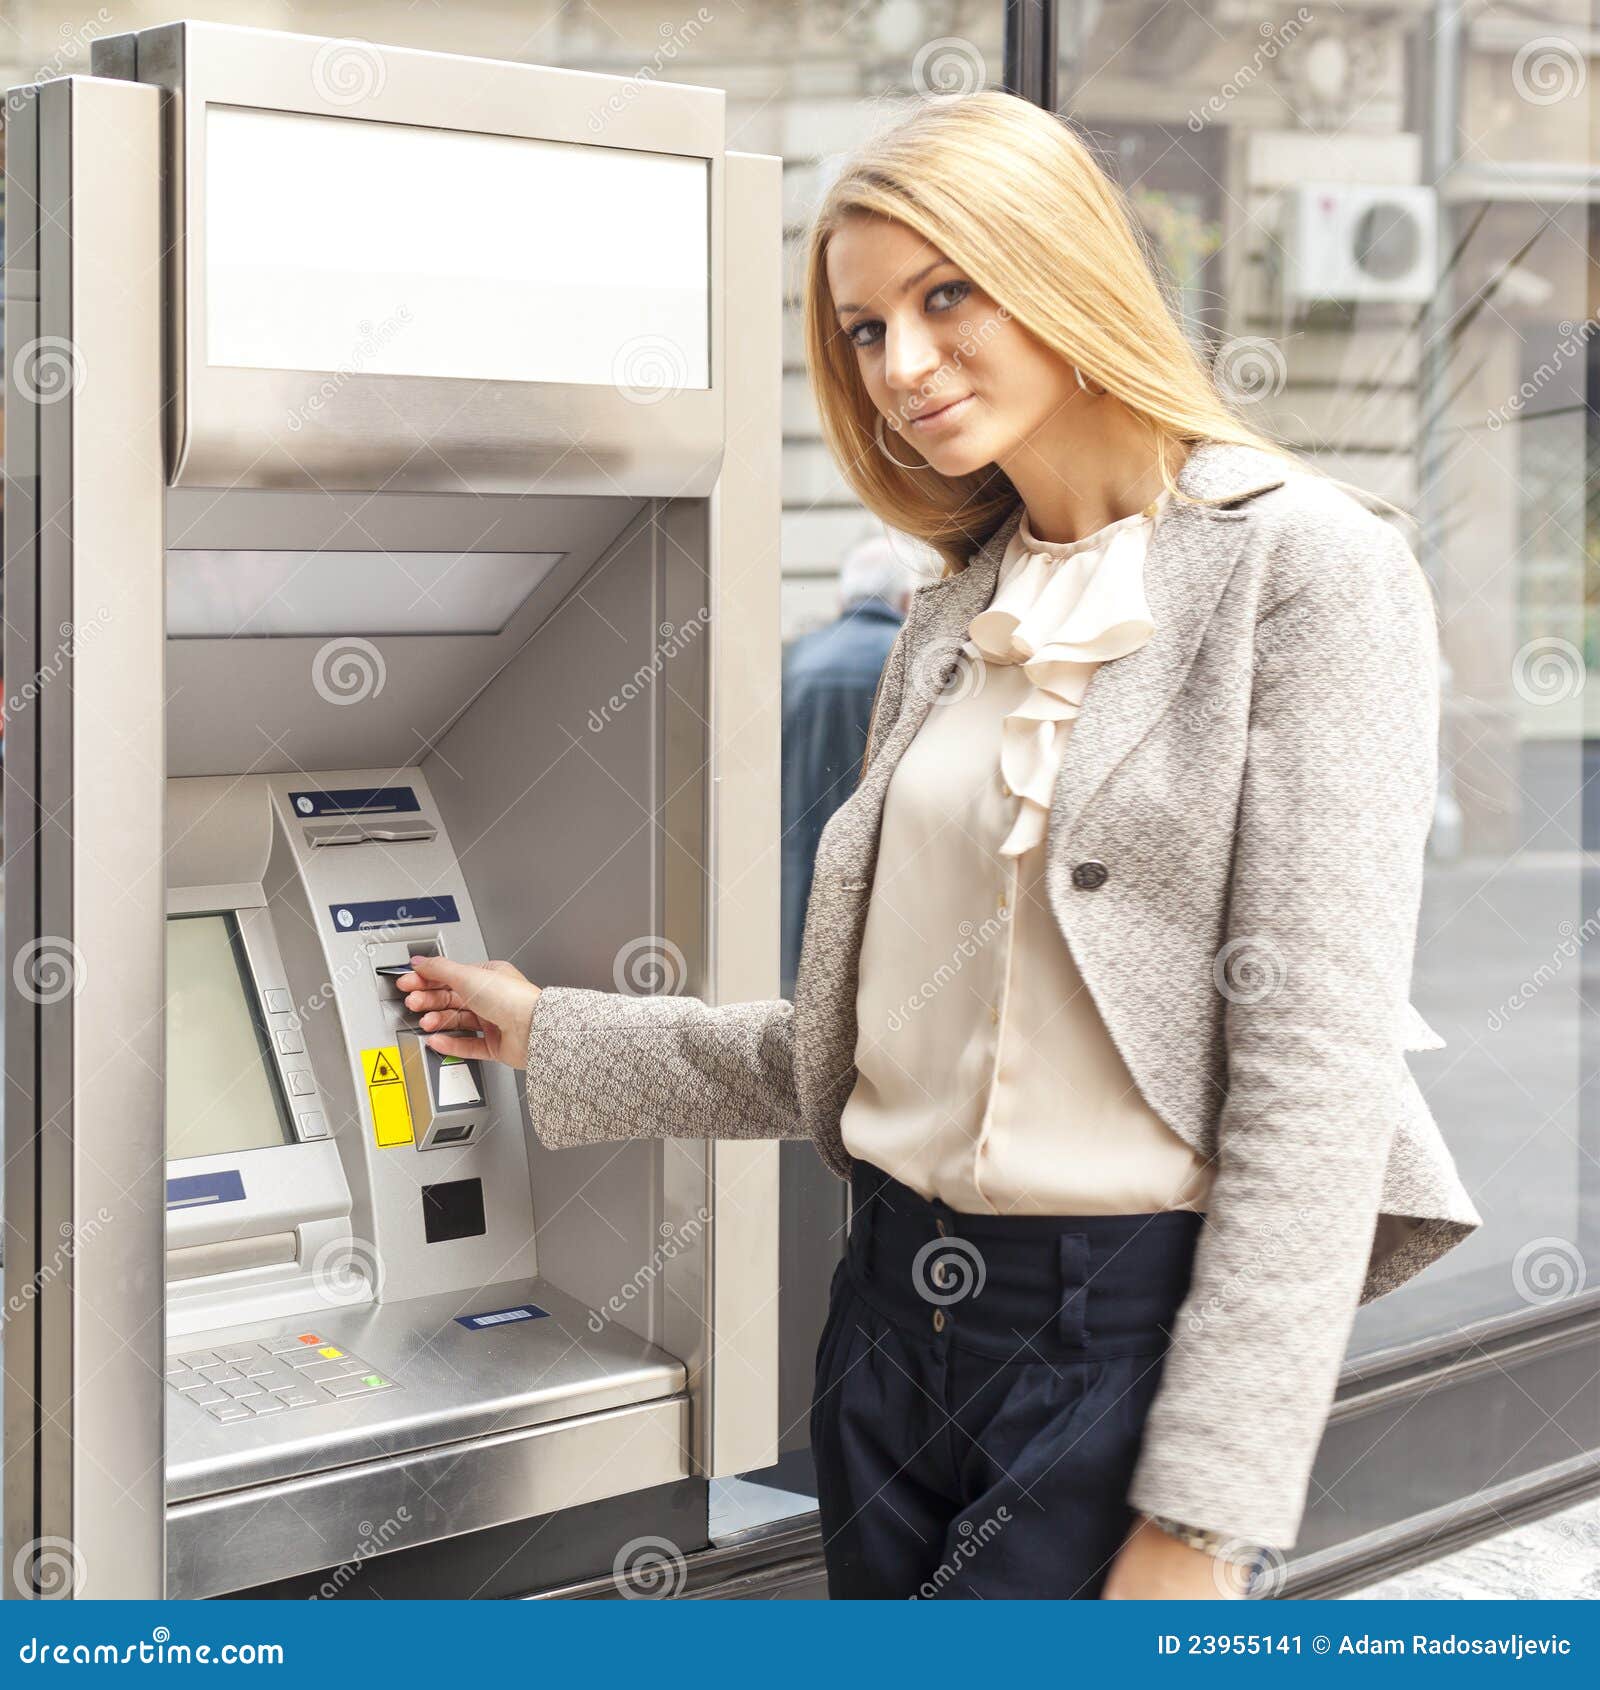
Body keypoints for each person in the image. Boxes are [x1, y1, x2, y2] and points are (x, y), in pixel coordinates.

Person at [396, 91, 1480, 1600]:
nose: (903, 364)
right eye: (861, 329)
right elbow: (864, 1050)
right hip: (892, 1327)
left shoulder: (1307, 569)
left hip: (1114, 1345)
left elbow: (1313, 1085)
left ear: (1062, 266)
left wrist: (1208, 1509)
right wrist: (556, 1032)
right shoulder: (959, 605)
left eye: (945, 294)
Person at [780, 535, 914, 995]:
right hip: (878, 871)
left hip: (797, 860)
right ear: (907, 599)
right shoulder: (909, 658)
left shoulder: (797, 657)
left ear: (842, 596)